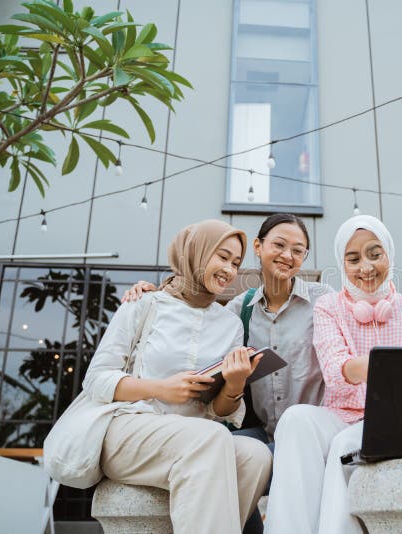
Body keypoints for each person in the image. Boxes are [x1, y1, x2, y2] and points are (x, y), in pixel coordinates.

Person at [123, 213, 402, 533]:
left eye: (298, 250)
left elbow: (362, 295)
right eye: (279, 245)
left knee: (256, 459)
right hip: (266, 430)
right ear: (258, 247)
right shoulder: (237, 311)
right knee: (223, 456)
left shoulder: (324, 299)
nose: (288, 256)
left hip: (317, 426)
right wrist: (155, 293)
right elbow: (198, 318)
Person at [83, 220, 272, 533]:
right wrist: (161, 388)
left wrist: (235, 385)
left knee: (255, 455)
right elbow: (96, 380)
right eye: (222, 257)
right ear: (195, 253)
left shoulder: (230, 325)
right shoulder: (145, 303)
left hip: (197, 439)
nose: (229, 269)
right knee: (211, 438)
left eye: (236, 263)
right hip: (129, 428)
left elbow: (219, 413)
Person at [264, 215, 402, 534]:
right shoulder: (329, 306)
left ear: (390, 256)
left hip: (394, 420)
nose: (365, 268)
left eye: (375, 254)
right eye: (353, 259)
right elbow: (336, 371)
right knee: (296, 419)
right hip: (341, 413)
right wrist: (387, 364)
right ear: (342, 263)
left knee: (345, 444)